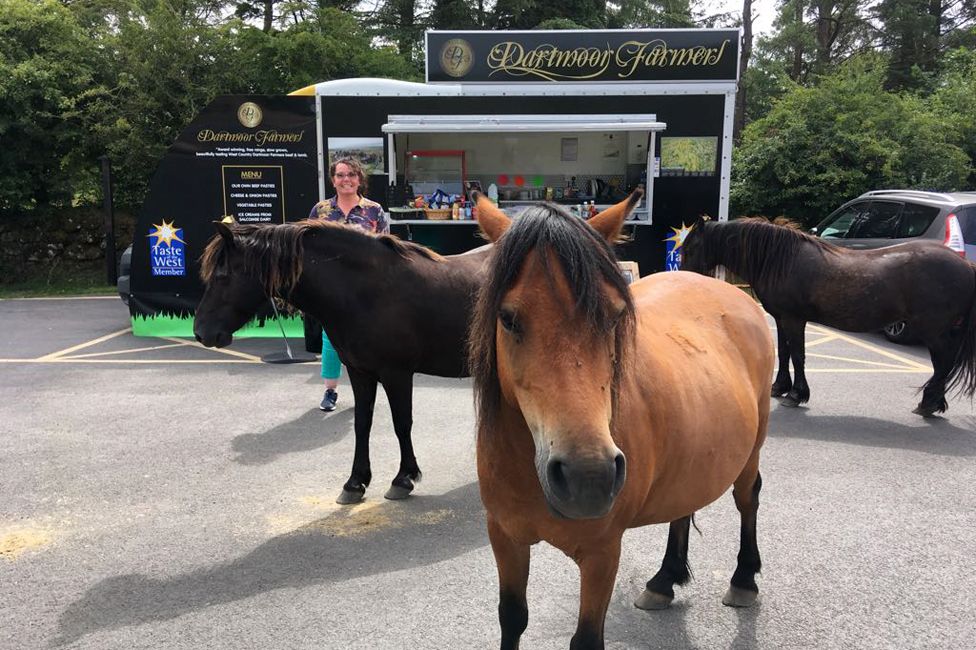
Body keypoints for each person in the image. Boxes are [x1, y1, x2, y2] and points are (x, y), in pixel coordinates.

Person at [308, 157, 388, 411]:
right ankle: (330, 391)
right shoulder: (320, 211)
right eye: (341, 175)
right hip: (331, 289)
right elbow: (308, 248)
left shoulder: (374, 210)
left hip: (366, 288)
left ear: (359, 179)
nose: (346, 180)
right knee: (331, 339)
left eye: (351, 175)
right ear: (333, 180)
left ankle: (366, 390)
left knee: (369, 338)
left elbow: (386, 249)